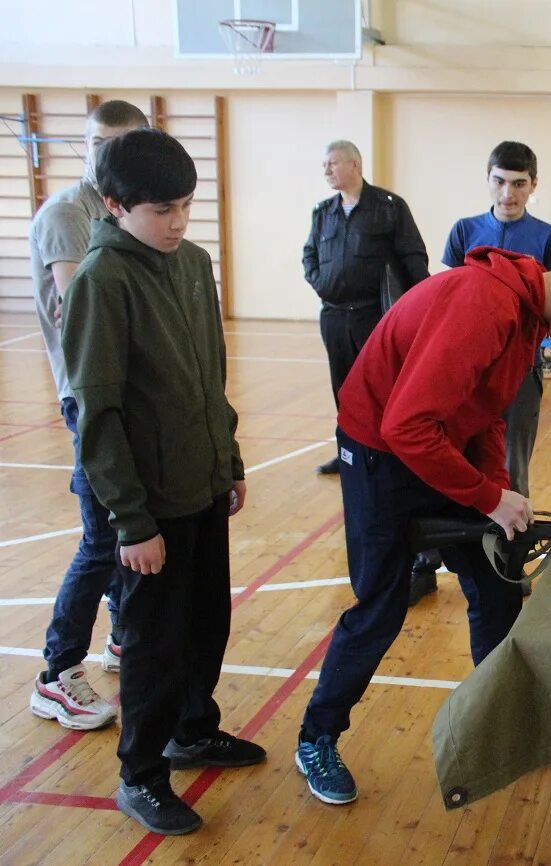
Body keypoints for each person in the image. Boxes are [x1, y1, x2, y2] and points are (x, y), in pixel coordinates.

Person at [294, 245, 551, 808]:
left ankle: (496, 721)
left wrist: (499, 491)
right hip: (378, 452)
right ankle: (316, 737)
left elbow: (484, 413)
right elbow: (405, 427)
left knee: (495, 577)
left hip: (436, 441)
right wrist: (489, 497)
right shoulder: (484, 304)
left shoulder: (529, 316)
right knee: (382, 606)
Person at [61, 128, 264, 836]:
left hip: (202, 483)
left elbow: (210, 375)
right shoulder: (101, 280)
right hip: (149, 507)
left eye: (185, 205)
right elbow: (98, 414)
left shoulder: (192, 262)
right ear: (117, 206)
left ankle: (192, 730)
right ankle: (140, 774)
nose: (178, 222)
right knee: (153, 642)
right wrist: (131, 522)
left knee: (207, 624)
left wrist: (228, 460)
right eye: (162, 210)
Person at [27, 99, 148, 733]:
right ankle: (56, 672)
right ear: (86, 146)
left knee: (131, 533)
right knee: (104, 539)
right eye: (100, 143)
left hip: (131, 397)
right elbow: (90, 315)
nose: (109, 154)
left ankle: (122, 637)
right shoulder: (67, 216)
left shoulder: (123, 211)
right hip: (90, 399)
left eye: (124, 143)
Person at [442, 140, 551, 497]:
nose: (507, 193)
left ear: (534, 185)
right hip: (468, 367)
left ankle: (511, 544)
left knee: (513, 467)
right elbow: (447, 302)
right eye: (499, 181)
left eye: (519, 184)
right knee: (457, 455)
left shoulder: (549, 238)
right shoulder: (463, 232)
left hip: (521, 368)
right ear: (487, 179)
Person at [302, 140, 428, 475]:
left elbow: (413, 258)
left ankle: (390, 455)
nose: (327, 170)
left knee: (381, 387)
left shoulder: (389, 207)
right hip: (334, 315)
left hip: (374, 316)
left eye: (333, 163)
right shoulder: (323, 212)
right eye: (324, 165)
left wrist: (419, 312)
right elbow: (309, 256)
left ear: (354, 165)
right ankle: (348, 453)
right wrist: (321, 283)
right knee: (342, 389)